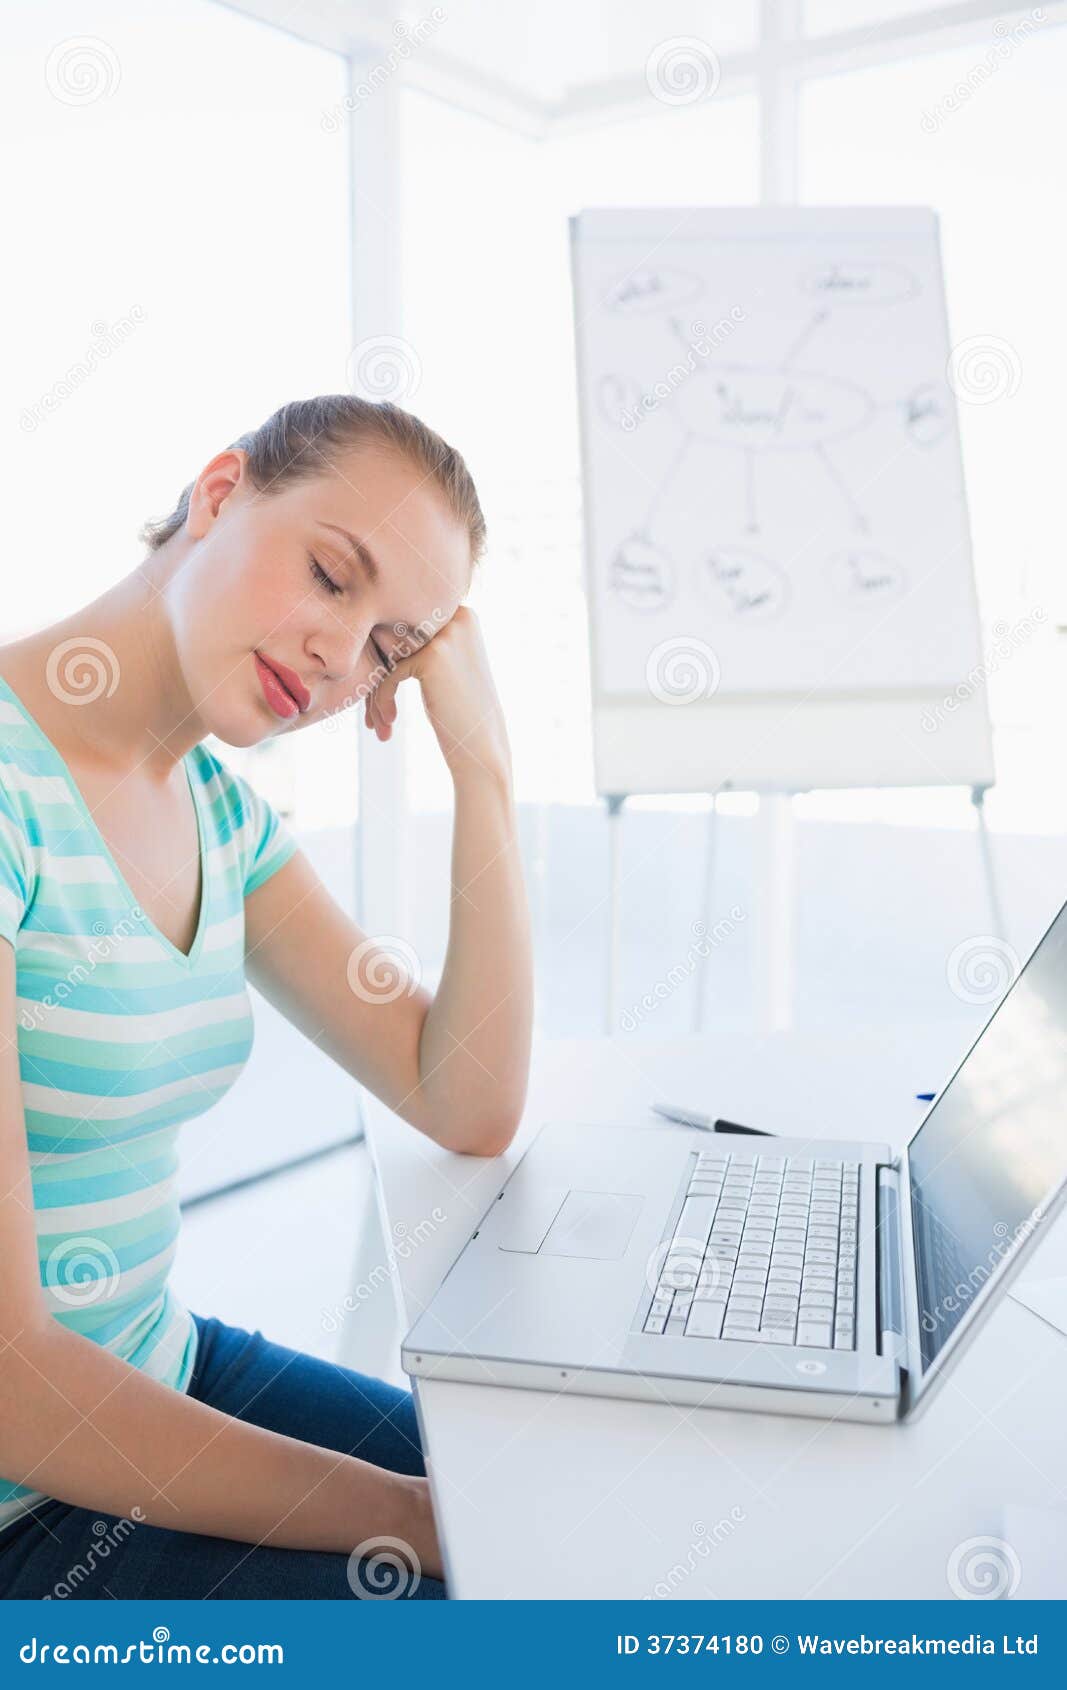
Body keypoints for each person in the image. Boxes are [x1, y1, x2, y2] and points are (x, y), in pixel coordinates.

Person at [0, 395, 533, 1599]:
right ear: (221, 491)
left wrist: (484, 767)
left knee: (564, 1502)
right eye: (332, 577)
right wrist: (418, 1517)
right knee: (492, 1581)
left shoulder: (216, 811)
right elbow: (10, 1383)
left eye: (392, 647)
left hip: (158, 1369)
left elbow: (463, 1094)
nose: (344, 658)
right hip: (28, 1500)